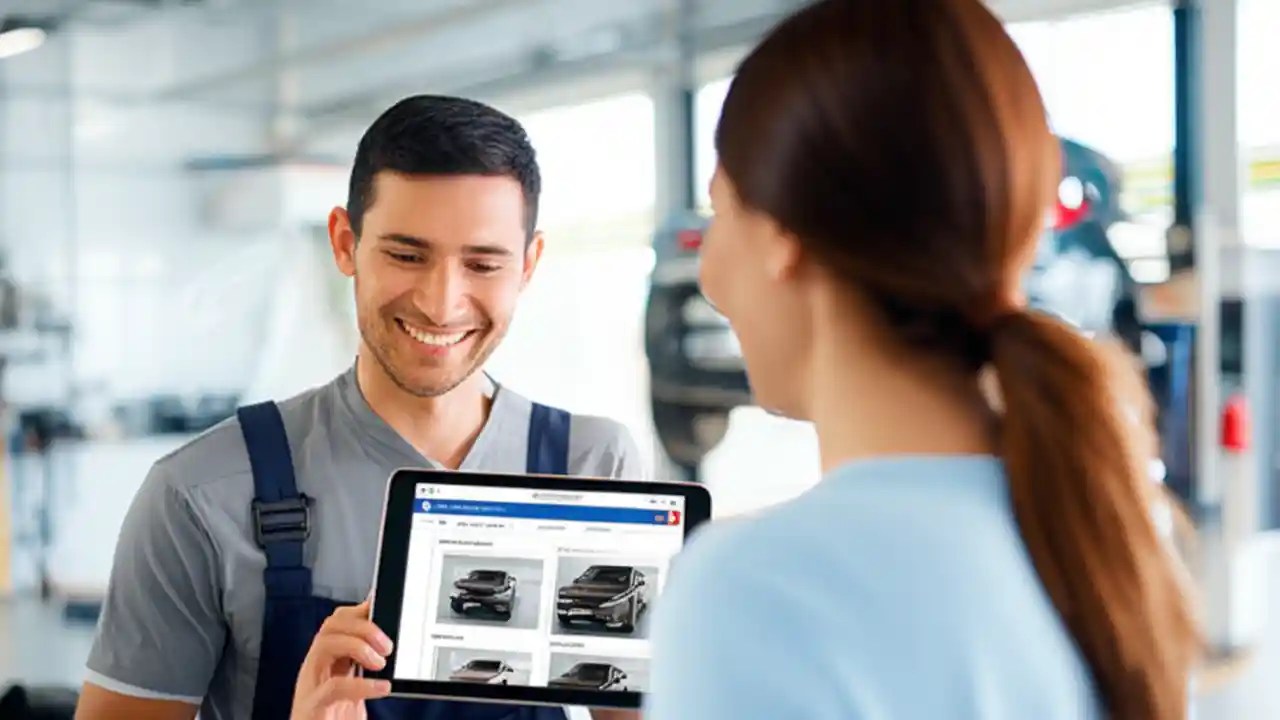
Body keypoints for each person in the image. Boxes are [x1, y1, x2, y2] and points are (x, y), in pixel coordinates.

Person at [642, 1, 1202, 719]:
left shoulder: (755, 589)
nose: (712, 277)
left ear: (783, 237)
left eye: (722, 211)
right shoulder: (1113, 539)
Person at [75, 95, 644, 720]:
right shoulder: (200, 493)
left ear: (529, 266)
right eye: (407, 255)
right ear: (345, 243)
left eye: (482, 263)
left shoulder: (594, 470)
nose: (441, 302)